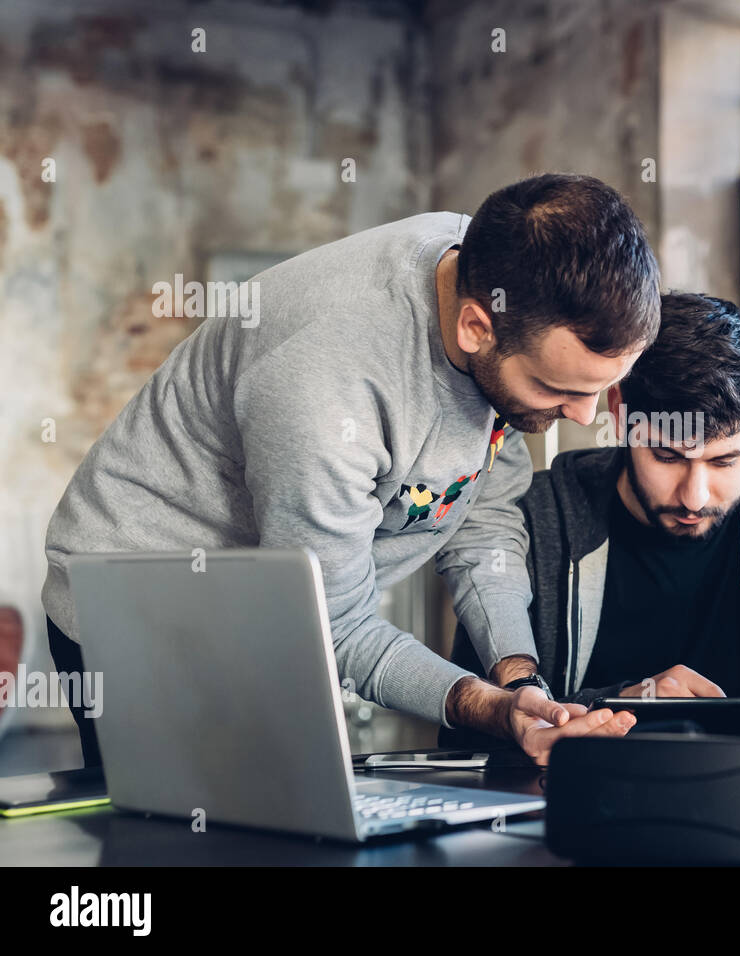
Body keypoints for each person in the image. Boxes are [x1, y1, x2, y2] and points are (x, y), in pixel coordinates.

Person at [42, 173, 659, 767]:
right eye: (557, 388)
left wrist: (520, 676)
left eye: (601, 388)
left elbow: (482, 516)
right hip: (147, 609)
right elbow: (332, 625)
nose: (583, 416)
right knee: (184, 842)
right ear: (475, 327)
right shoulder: (326, 389)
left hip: (271, 608)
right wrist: (491, 710)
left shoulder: (497, 265)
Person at [452, 292, 740, 759]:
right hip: (574, 816)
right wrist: (614, 710)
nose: (694, 496)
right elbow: (475, 721)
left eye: (726, 461)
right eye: (667, 456)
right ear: (619, 412)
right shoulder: (539, 516)